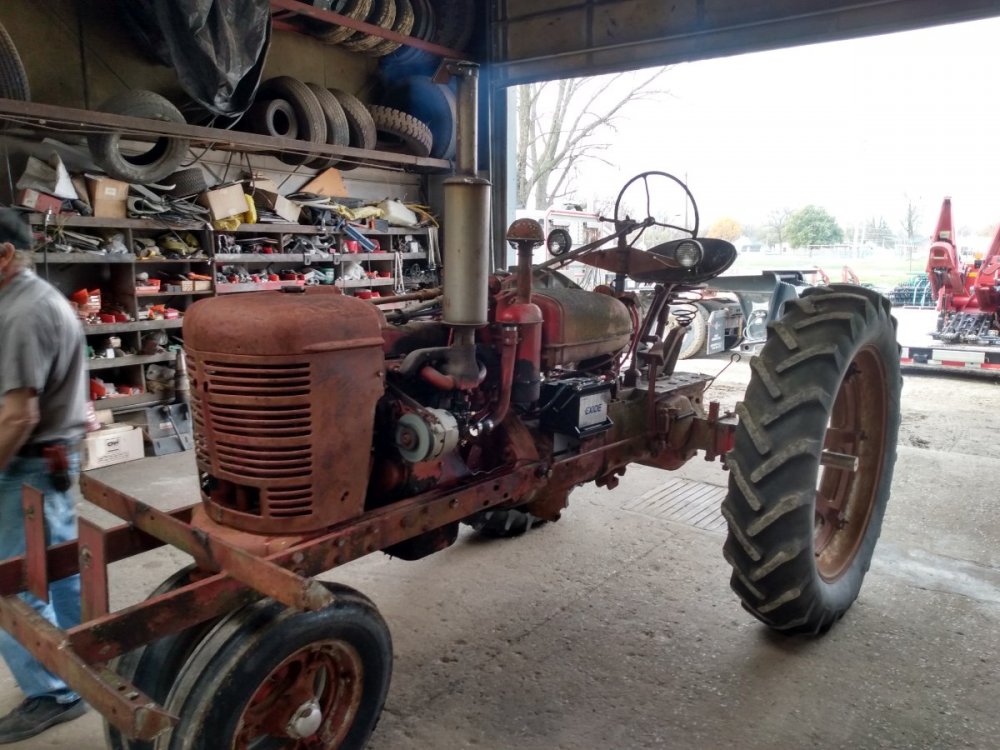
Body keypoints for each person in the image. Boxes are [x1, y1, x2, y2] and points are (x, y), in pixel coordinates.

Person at [0, 208, 88, 742]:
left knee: (15, 584)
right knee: (57, 570)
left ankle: (53, 693)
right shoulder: (25, 300)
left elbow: (18, 415)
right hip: (46, 458)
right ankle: (80, 662)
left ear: (5, 255)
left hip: (28, 460)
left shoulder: (22, 312)